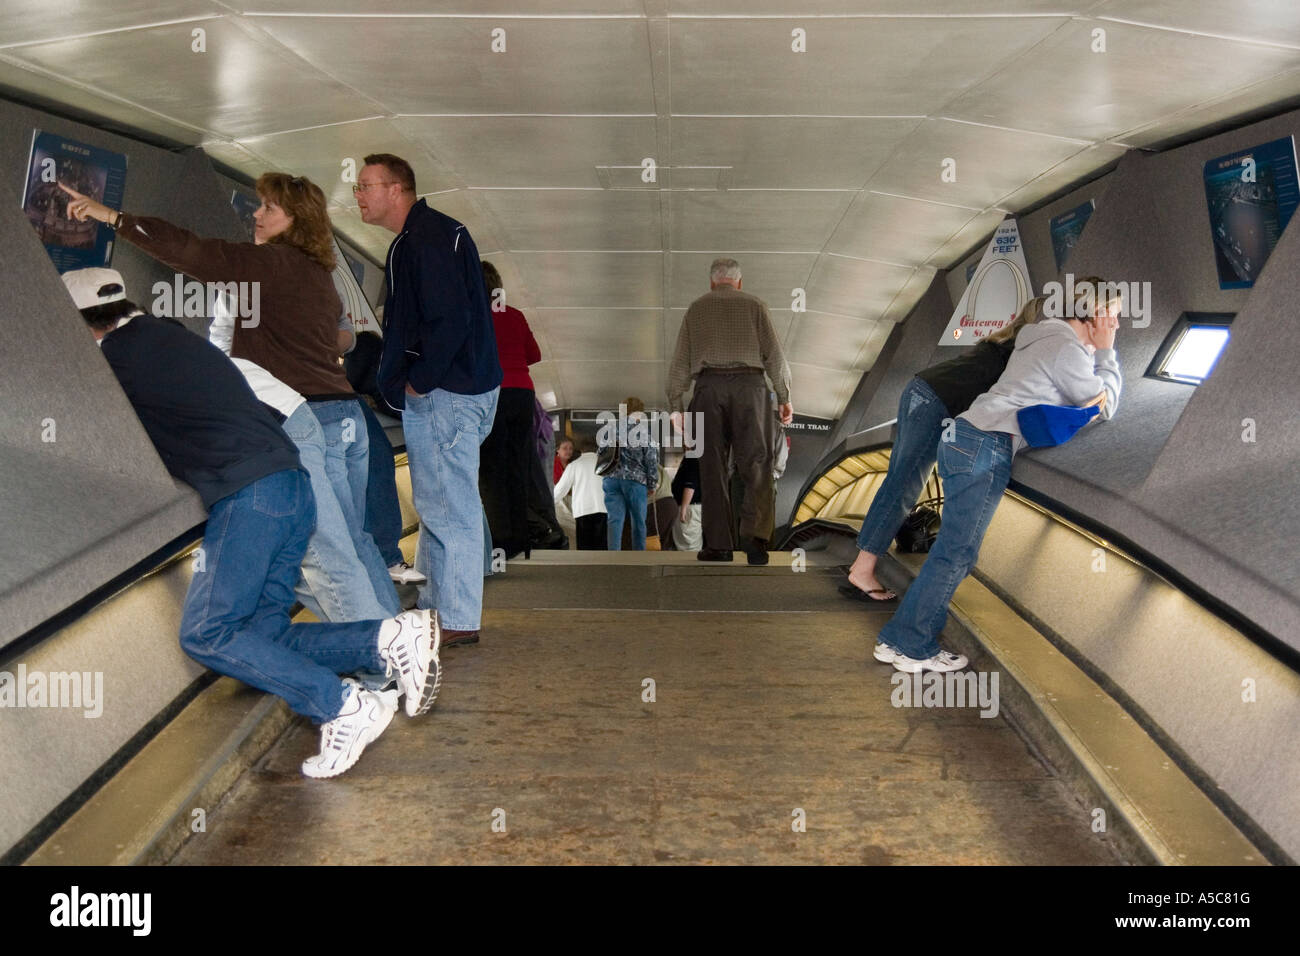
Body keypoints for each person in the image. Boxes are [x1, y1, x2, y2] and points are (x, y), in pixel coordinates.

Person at [61, 268, 440, 779]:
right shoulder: (171, 337)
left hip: (251, 497)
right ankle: (386, 639)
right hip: (291, 487)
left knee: (206, 632)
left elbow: (88, 433)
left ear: (81, 326)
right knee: (266, 634)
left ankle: (341, 704)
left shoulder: (115, 360)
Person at [60, 174, 401, 620]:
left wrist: (111, 217)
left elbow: (192, 252)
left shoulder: (270, 265)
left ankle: (383, 659)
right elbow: (339, 341)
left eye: (268, 209)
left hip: (304, 417)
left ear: (294, 221)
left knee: (327, 557)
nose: (256, 215)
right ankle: (402, 637)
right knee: (354, 542)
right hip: (345, 412)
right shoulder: (319, 274)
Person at [874, 280, 1122, 673]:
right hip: (987, 445)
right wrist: (1106, 352)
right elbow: (1104, 403)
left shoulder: (1038, 335)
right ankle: (908, 643)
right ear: (1095, 316)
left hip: (964, 436)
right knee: (956, 553)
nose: (1117, 323)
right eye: (1113, 316)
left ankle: (900, 640)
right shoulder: (1066, 348)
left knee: (952, 550)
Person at [356, 153, 503, 649]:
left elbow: (449, 320)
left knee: (448, 510)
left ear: (396, 190)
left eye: (366, 186)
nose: (357, 195)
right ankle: (436, 610)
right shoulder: (436, 233)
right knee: (442, 506)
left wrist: (419, 380)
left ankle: (457, 616)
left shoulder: (423, 241)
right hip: (466, 390)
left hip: (447, 395)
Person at [844, 294, 1052, 604]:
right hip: (933, 403)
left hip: (922, 392)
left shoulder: (1005, 342)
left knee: (899, 482)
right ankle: (862, 570)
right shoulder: (1022, 352)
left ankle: (861, 564)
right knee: (904, 486)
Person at [666, 257, 793, 566]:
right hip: (751, 388)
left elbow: (680, 361)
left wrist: (675, 405)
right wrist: (784, 396)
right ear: (739, 282)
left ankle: (719, 546)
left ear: (712, 282)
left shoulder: (697, 308)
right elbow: (775, 355)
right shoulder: (756, 305)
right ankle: (755, 541)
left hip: (708, 389)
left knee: (711, 468)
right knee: (758, 465)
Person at [478, 260, 542, 560]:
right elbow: (535, 354)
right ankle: (521, 541)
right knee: (517, 469)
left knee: (492, 470)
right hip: (523, 395)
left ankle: (499, 543)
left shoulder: (473, 316)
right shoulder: (514, 314)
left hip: (493, 394)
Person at [601, 397, 659, 551]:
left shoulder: (609, 429)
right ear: (639, 412)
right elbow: (651, 459)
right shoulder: (643, 431)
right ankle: (638, 558)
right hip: (635, 481)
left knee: (614, 520)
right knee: (639, 521)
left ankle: (613, 556)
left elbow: (600, 453)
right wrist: (652, 483)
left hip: (611, 480)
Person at [554, 437, 607, 550]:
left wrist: (548, 503)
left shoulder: (574, 465)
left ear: (581, 451)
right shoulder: (605, 464)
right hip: (603, 508)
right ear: (597, 449)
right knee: (601, 546)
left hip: (583, 510)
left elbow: (560, 490)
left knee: (584, 548)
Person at [671, 448, 704, 553]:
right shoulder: (696, 455)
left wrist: (684, 508)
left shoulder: (693, 456)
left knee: (689, 548)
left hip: (690, 507)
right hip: (691, 506)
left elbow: (690, 483)